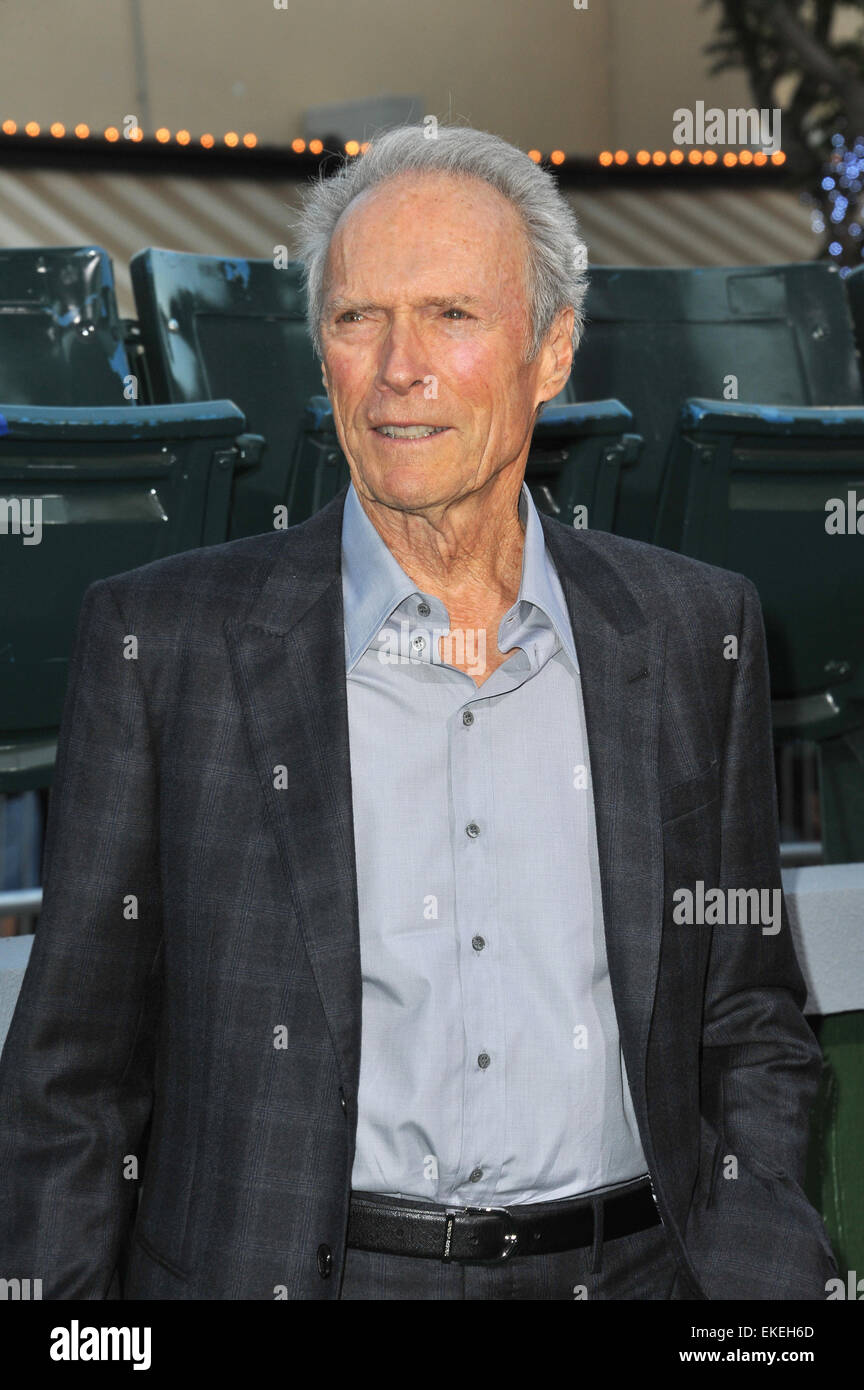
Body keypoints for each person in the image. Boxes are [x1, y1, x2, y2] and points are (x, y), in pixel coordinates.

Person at [0, 125, 838, 1300]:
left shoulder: (699, 634)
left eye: (451, 314)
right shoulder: (164, 645)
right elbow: (69, 1084)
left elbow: (750, 1022)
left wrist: (764, 1293)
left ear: (552, 351)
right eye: (357, 319)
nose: (400, 368)